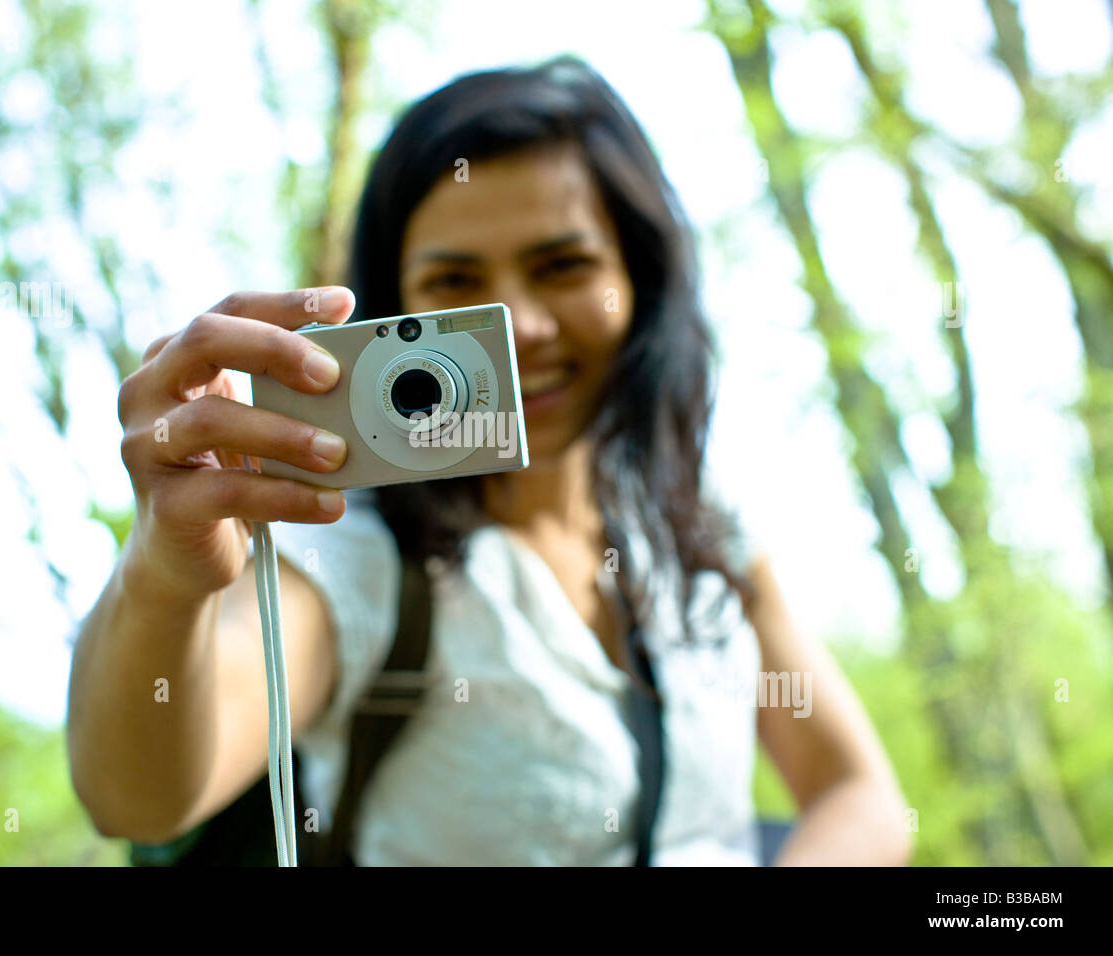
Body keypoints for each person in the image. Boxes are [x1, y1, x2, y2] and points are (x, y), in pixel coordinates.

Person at [67, 55, 912, 866]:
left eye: (563, 266)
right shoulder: (353, 551)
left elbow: (860, 793)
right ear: (394, 308)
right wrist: (165, 575)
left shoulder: (692, 519)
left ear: (640, 279)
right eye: (456, 283)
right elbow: (139, 800)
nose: (522, 327)